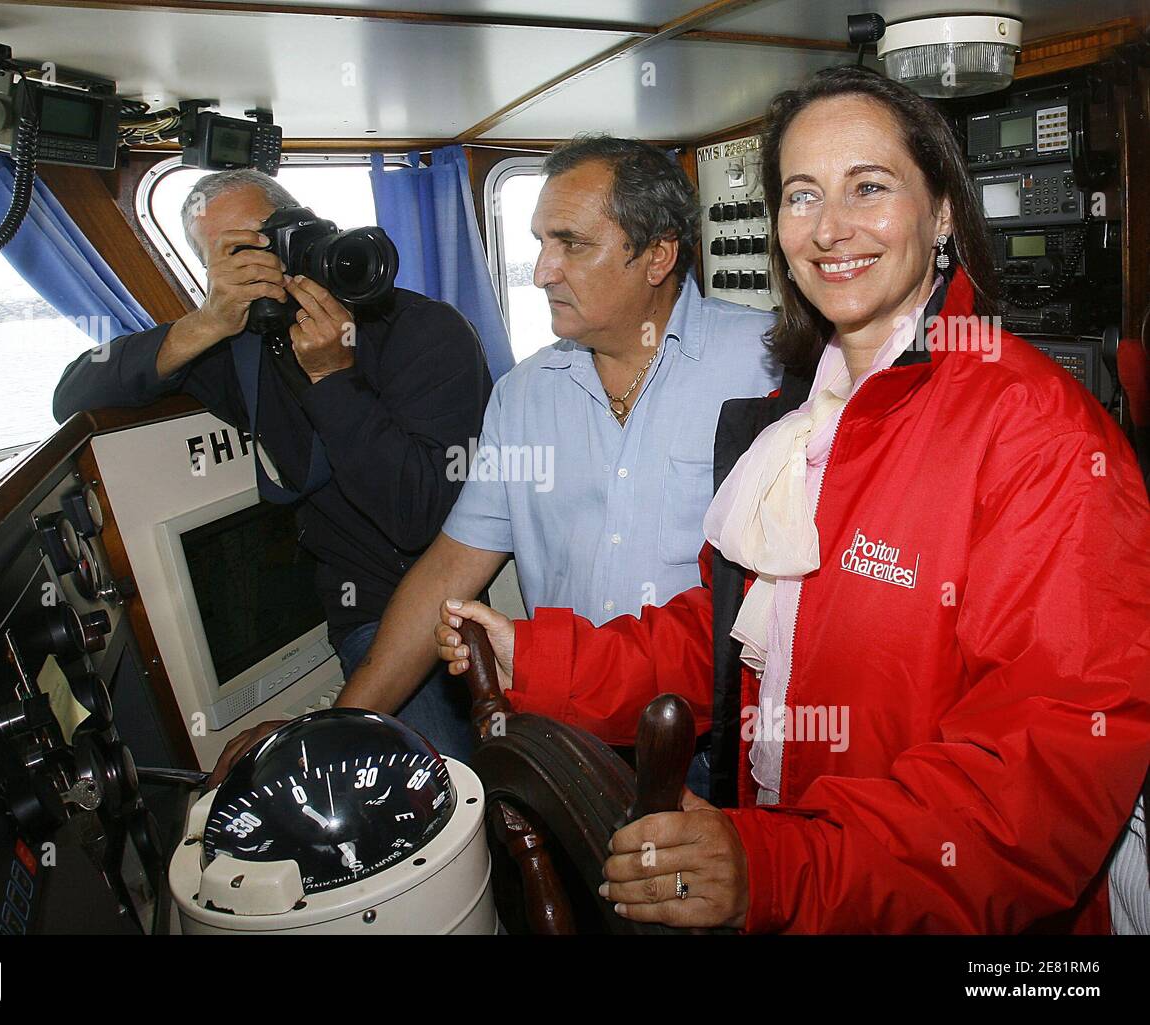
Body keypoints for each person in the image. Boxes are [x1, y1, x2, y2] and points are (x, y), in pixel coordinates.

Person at [434, 67, 1150, 933]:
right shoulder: (793, 422)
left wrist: (782, 867)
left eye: (869, 188)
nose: (832, 228)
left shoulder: (1037, 431)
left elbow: (1037, 781)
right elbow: (728, 635)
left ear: (945, 211)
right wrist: (544, 661)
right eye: (802, 195)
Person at [210, 137, 781, 786]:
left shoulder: (765, 365)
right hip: (568, 730)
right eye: (539, 242)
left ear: (658, 255)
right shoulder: (523, 395)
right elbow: (448, 571)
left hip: (713, 741)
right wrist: (338, 727)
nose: (542, 270)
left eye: (571, 244)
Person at [53, 168, 490, 761]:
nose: (257, 263)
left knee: (435, 784)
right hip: (363, 608)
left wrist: (333, 377)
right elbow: (74, 395)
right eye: (231, 255)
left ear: (304, 230)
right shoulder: (238, 353)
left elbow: (416, 516)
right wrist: (208, 322)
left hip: (451, 602)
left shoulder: (426, 331)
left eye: (264, 239)